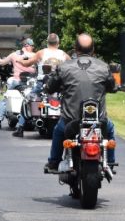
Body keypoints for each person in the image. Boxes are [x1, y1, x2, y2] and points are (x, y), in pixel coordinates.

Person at [43, 33, 117, 172]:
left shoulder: (64, 67)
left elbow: (50, 87)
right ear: (93, 49)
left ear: (75, 49)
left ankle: (54, 162)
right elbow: (113, 87)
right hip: (98, 120)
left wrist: (49, 85)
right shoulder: (103, 67)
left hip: (71, 120)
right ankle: (110, 163)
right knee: (110, 129)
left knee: (58, 131)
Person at [0, 38, 42, 128]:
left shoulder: (14, 55)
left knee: (6, 98)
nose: (33, 48)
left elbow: (2, 63)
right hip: (31, 82)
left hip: (17, 81)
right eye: (32, 46)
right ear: (27, 46)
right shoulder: (35, 56)